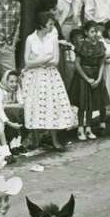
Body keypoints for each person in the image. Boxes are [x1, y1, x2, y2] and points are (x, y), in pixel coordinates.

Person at [20, 11, 77, 152]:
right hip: (33, 77)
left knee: (52, 105)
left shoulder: (52, 37)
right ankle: (35, 138)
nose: (52, 26)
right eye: (50, 24)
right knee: (34, 105)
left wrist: (38, 61)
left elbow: (55, 60)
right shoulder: (30, 39)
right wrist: (44, 59)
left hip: (50, 76)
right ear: (42, 24)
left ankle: (54, 140)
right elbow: (27, 62)